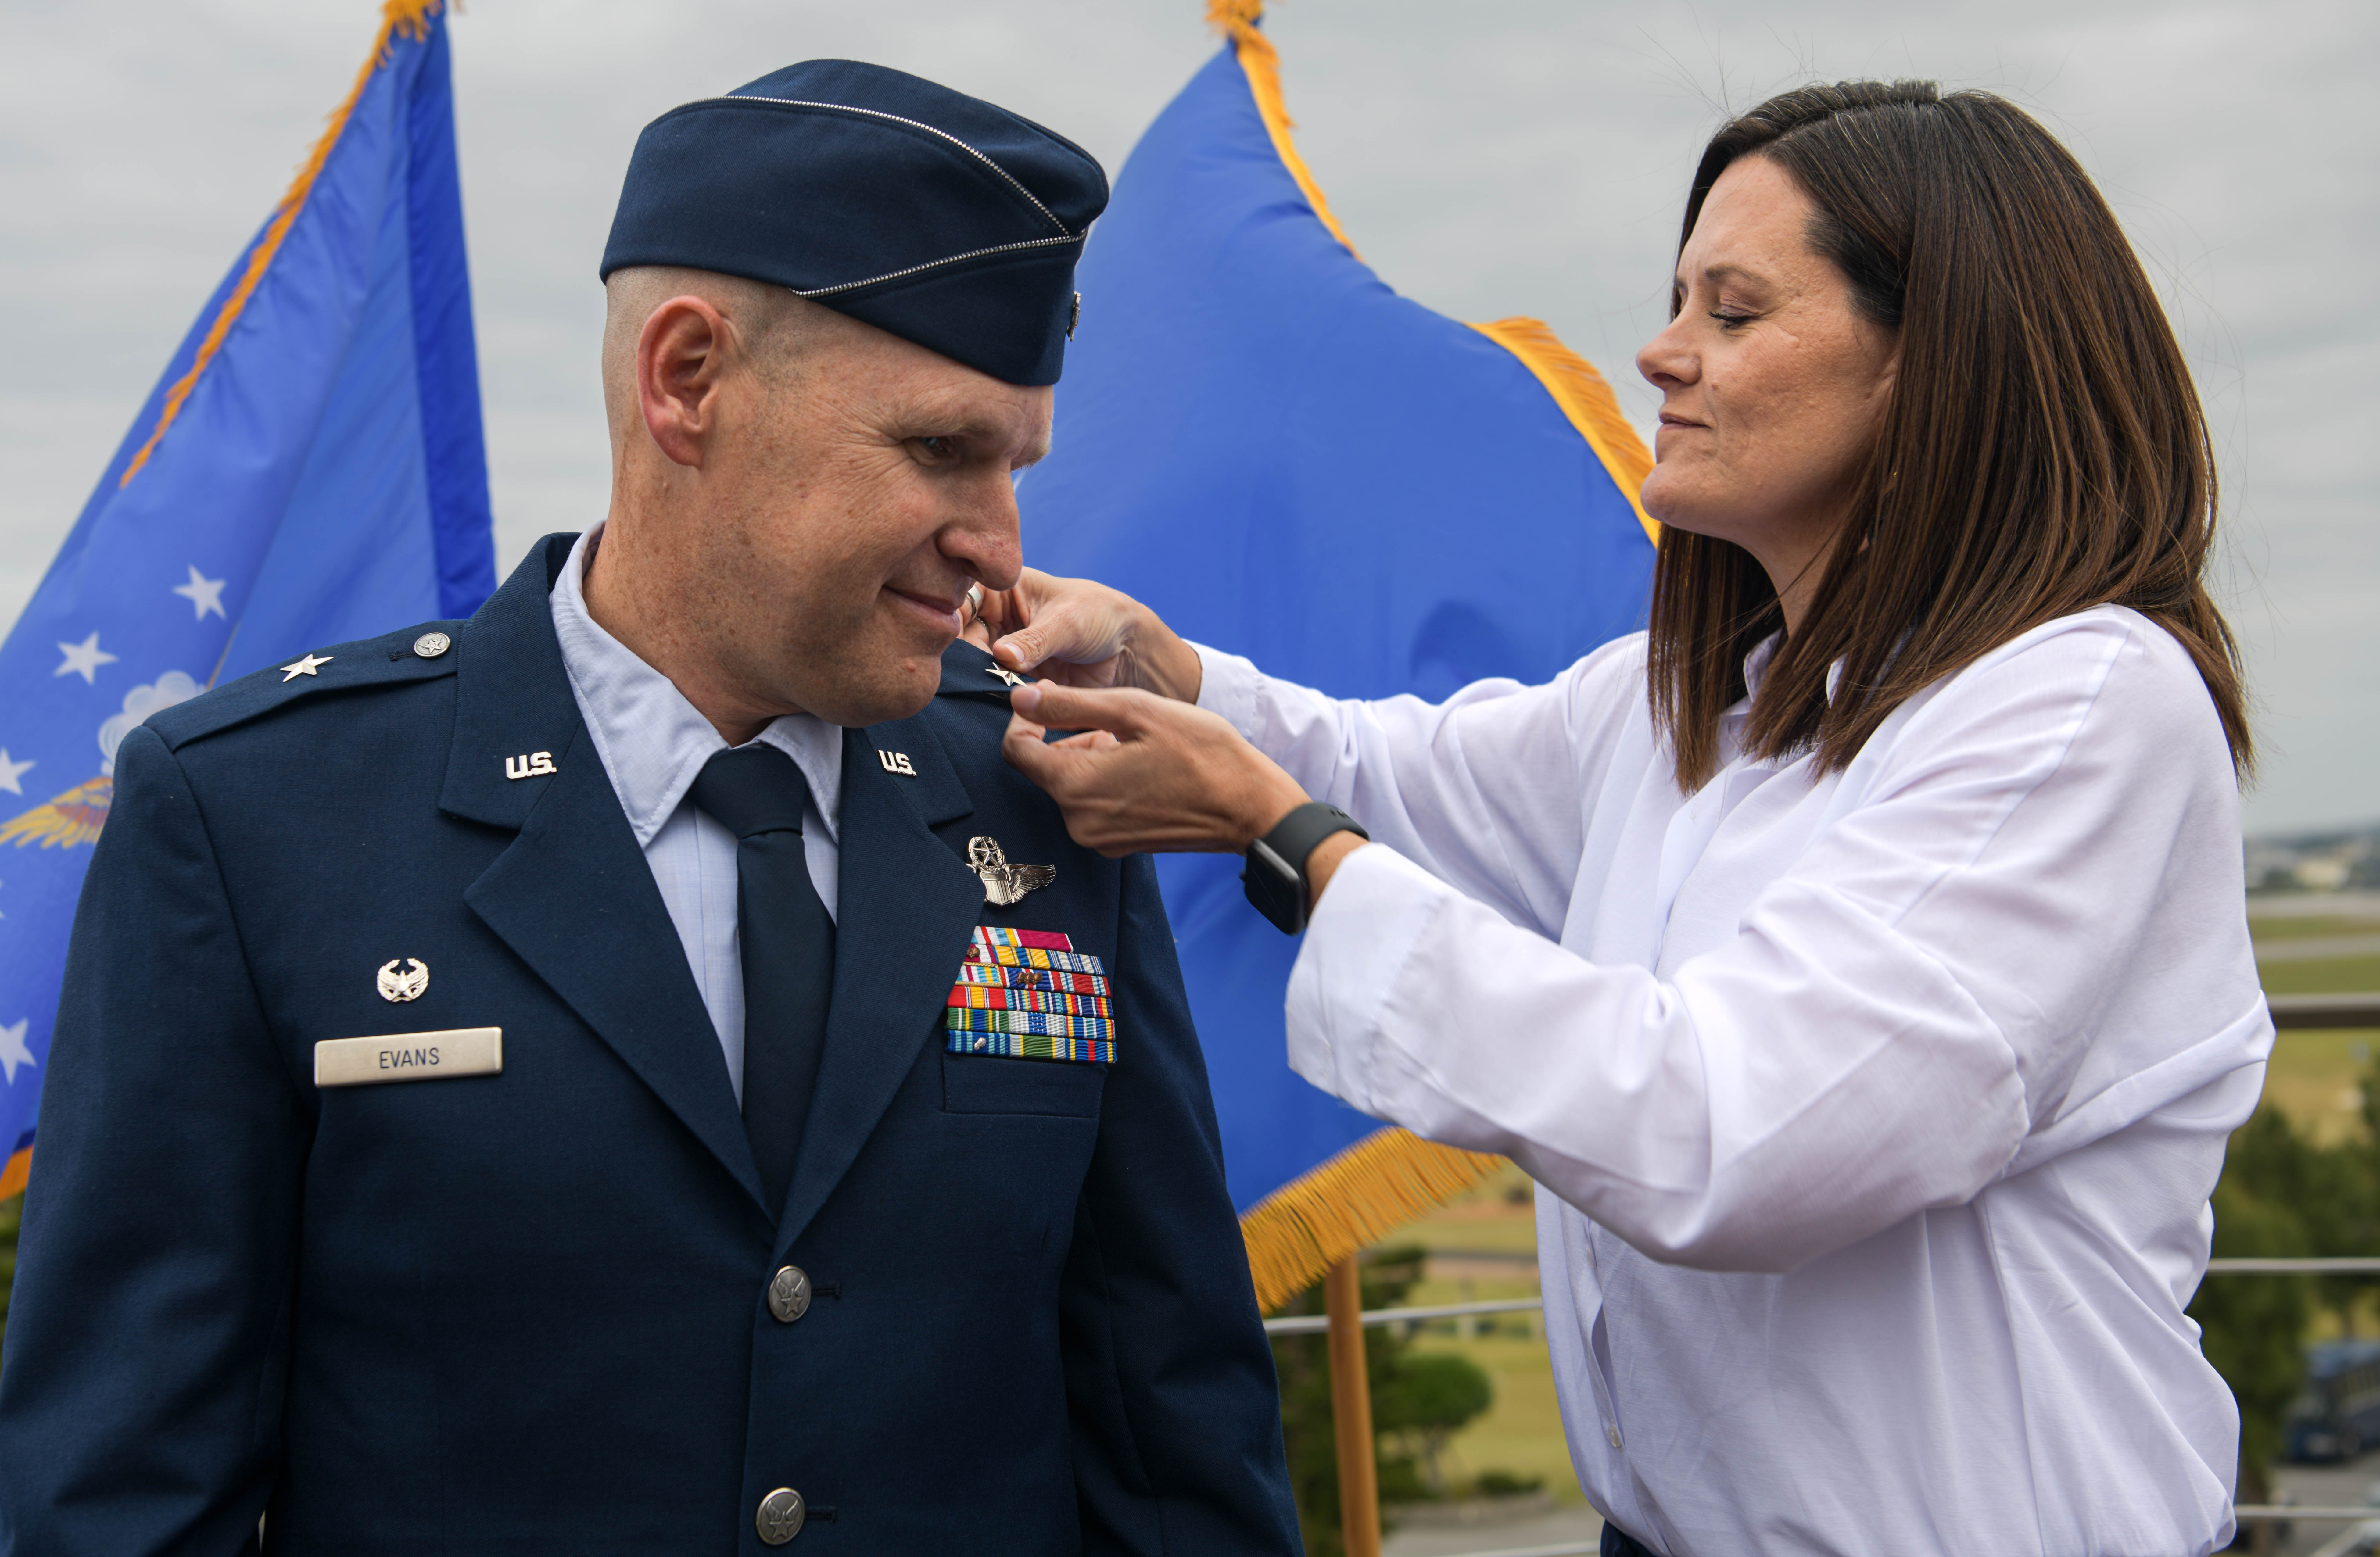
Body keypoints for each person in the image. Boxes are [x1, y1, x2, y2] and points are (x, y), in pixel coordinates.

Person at [0, 61, 1301, 1555]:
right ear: (685, 378)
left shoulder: (1040, 792)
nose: (1002, 547)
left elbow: (1170, 1424)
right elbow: (122, 1493)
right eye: (942, 450)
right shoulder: (256, 816)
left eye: (1017, 464)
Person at [986, 81, 2267, 1557]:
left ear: (1934, 366)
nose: (1661, 352)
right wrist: (1166, 666)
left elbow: (1739, 1131)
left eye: (1733, 311)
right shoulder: (1697, 702)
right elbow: (1396, 771)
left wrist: (1285, 842)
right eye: (1679, 303)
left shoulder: (2081, 702)